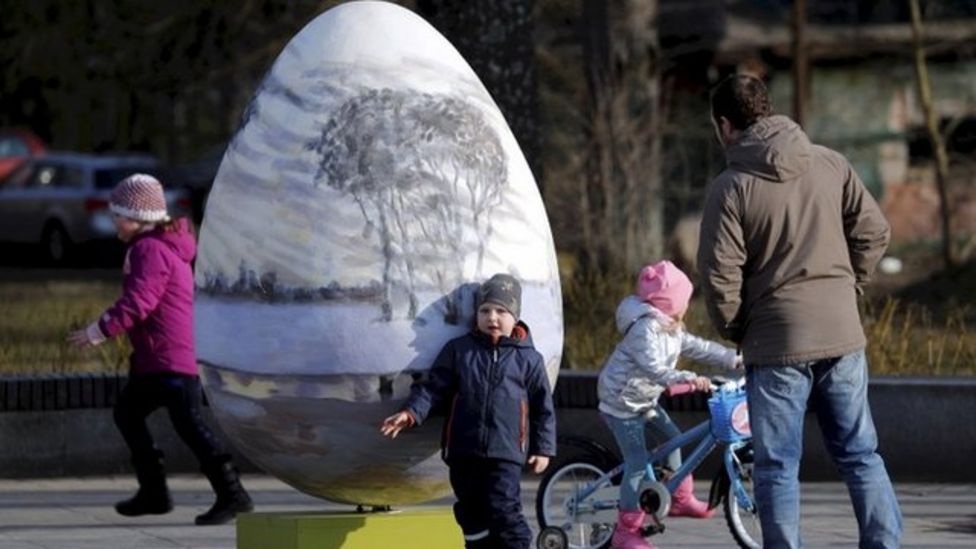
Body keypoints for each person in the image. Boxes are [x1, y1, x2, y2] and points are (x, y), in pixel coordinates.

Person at [697, 73, 902, 548]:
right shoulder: (830, 163)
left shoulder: (731, 188)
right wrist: (849, 286)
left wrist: (737, 328)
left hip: (776, 341)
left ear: (724, 125)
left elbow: (720, 274)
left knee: (776, 466)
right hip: (842, 333)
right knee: (861, 454)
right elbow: (875, 232)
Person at [67, 173, 253, 526]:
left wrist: (98, 331)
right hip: (160, 357)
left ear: (138, 217)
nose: (114, 222)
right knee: (131, 413)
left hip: (169, 358)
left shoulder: (149, 249)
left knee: (189, 425)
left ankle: (232, 494)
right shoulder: (159, 245)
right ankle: (155, 492)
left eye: (118, 215)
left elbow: (139, 301)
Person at [380, 273, 556, 549]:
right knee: (469, 510)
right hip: (463, 450)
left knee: (504, 508)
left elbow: (542, 408)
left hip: (505, 451)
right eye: (485, 311)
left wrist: (543, 449)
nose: (492, 318)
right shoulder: (459, 350)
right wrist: (411, 413)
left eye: (501, 311)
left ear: (515, 318)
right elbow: (433, 388)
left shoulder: (529, 359)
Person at [597, 260, 740, 549]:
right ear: (671, 303)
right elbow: (653, 368)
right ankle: (625, 532)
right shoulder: (645, 329)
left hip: (643, 399)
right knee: (637, 465)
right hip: (621, 404)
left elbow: (698, 347)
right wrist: (689, 378)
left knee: (674, 440)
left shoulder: (669, 327)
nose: (687, 306)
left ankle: (678, 499)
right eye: (684, 300)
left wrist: (733, 358)